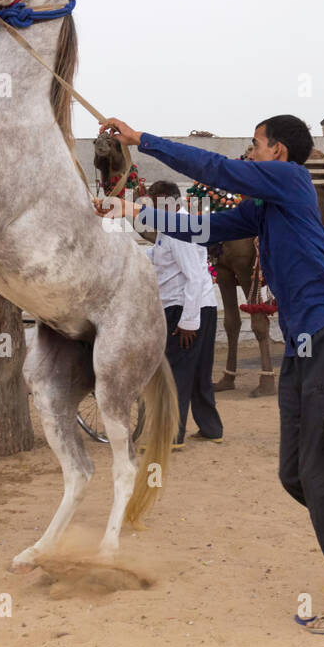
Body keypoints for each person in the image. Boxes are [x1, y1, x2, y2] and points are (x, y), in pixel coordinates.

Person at [97, 114, 324, 636]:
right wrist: (134, 208)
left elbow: (217, 168)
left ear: (279, 153)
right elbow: (205, 229)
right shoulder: (267, 207)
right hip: (304, 347)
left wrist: (141, 140)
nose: (249, 152)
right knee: (294, 475)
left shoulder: (287, 181)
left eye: (256, 145)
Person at [144, 180, 224, 449]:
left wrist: (188, 322)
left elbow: (193, 277)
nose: (151, 208)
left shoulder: (179, 227)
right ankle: (211, 429)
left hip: (187, 307)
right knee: (199, 371)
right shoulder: (170, 227)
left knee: (175, 371)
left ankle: (170, 435)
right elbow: (157, 257)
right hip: (198, 306)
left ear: (166, 200)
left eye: (153, 202)